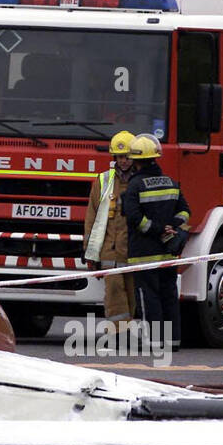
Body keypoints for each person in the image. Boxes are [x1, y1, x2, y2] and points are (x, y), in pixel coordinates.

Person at [120, 132, 190, 352]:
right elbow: (186, 212)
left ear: (136, 161)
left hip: (144, 252)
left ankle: (155, 343)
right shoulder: (171, 182)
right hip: (169, 252)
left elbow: (133, 217)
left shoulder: (135, 185)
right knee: (169, 296)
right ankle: (173, 341)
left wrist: (157, 229)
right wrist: (172, 226)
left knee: (148, 297)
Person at [83, 130, 137, 327]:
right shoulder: (104, 181)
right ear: (115, 157)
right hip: (109, 249)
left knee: (132, 292)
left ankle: (129, 329)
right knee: (114, 291)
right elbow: (92, 216)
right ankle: (118, 332)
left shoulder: (139, 182)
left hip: (132, 249)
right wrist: (89, 251)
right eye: (120, 157)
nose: (124, 161)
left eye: (128, 157)